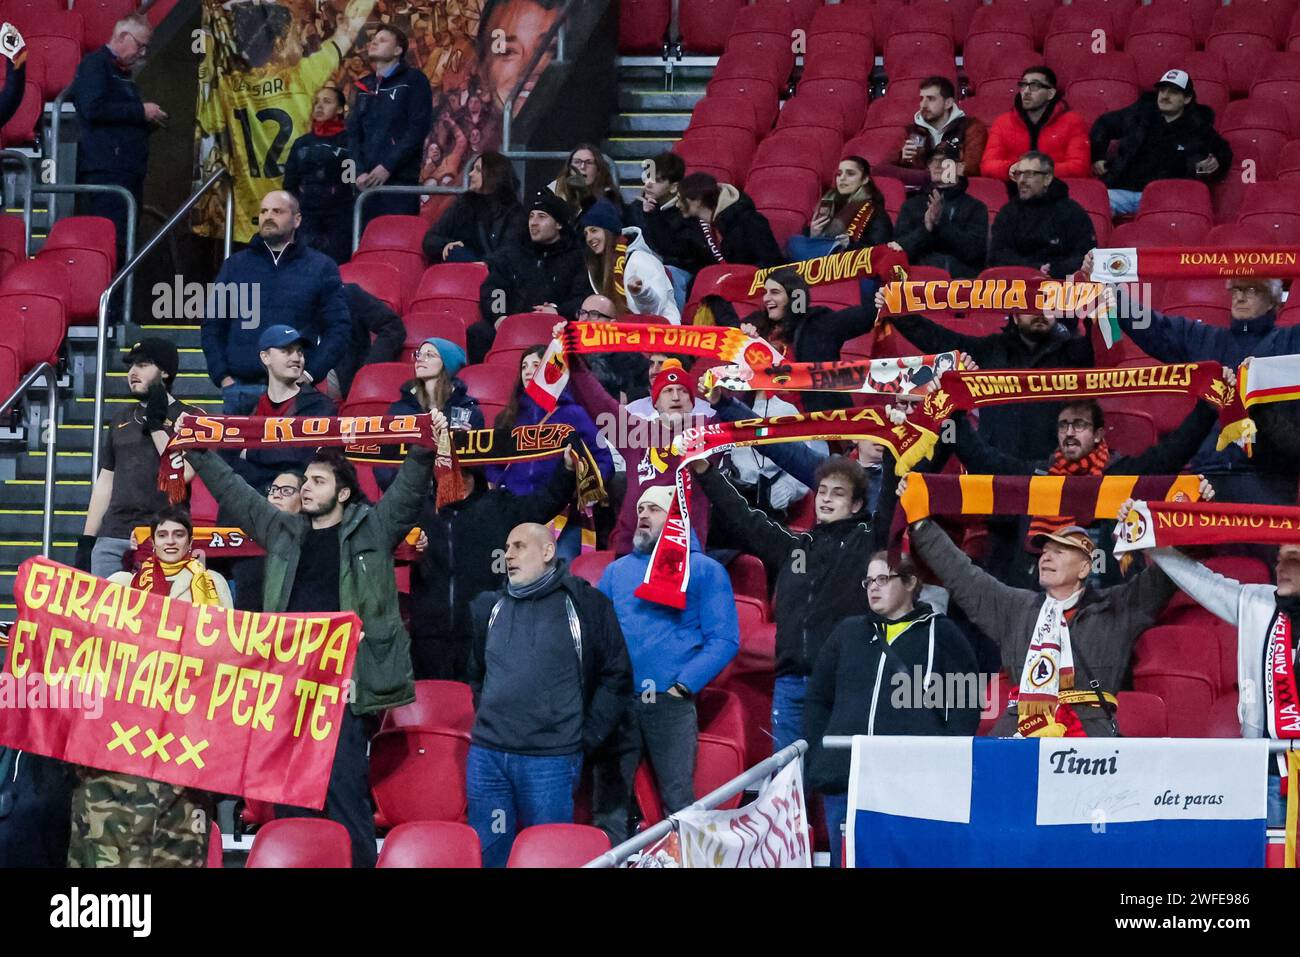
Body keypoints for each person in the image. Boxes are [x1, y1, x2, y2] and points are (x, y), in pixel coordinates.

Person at [186, 435, 441, 868]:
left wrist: (425, 445)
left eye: (317, 481)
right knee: (289, 799)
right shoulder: (282, 531)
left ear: (342, 492)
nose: (306, 487)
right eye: (305, 479)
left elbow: (410, 487)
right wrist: (194, 449)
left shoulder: (373, 528)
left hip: (344, 691)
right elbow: (233, 490)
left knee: (343, 795)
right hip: (291, 690)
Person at [906, 489, 1176, 737]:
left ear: (1084, 568)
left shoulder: (1116, 608)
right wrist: (919, 522)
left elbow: (1165, 576)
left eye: (1059, 551)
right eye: (1045, 552)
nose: (1046, 557)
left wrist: (1182, 513)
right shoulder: (1015, 608)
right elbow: (961, 575)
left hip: (1090, 740)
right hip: (1019, 733)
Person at [1116, 498, 1299, 827]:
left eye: (1293, 559)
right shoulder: (1257, 603)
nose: (1279, 568)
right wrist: (1151, 538)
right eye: (1278, 559)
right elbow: (1201, 581)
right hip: (1269, 772)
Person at [69, 506, 231, 868]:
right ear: (150, 541)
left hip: (187, 712)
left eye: (178, 535)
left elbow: (229, 647)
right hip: (133, 713)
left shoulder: (212, 584)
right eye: (163, 535)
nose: (170, 541)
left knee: (178, 813)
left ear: (190, 541)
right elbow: (93, 634)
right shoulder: (123, 584)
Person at [466, 522, 632, 867]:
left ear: (547, 552)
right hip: (488, 757)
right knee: (489, 853)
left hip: (550, 760)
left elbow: (617, 676)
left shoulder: (585, 604)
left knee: (549, 855)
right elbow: (478, 673)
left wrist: (585, 738)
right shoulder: (490, 608)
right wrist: (487, 719)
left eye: (519, 547)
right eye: (507, 547)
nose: (508, 555)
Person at [805, 550, 981, 867]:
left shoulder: (943, 634)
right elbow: (818, 698)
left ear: (911, 582)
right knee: (846, 861)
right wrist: (821, 755)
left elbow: (964, 709)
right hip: (846, 780)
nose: (874, 587)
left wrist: (942, 767)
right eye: (869, 581)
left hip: (913, 786)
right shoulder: (848, 632)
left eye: (883, 579)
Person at [693, 455, 875, 754]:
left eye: (838, 493)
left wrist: (899, 457)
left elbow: (894, 511)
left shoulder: (865, 543)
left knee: (837, 782)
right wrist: (704, 470)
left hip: (840, 681)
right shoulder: (795, 550)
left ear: (856, 506)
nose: (826, 499)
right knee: (786, 784)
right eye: (823, 491)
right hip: (789, 682)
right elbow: (744, 516)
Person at [1091, 250, 1300, 505]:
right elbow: (1153, 328)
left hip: (1267, 476)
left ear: (1276, 303)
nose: (1240, 297)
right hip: (1207, 477)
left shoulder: (1291, 340)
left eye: (1252, 289)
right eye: (1235, 289)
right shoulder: (1206, 339)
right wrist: (1104, 281)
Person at [952, 395, 1222, 587]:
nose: (1069, 433)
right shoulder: (1039, 476)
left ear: (1098, 435)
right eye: (1063, 425)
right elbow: (983, 459)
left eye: (1079, 425)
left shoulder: (1120, 473)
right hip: (1041, 597)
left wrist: (1207, 408)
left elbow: (1172, 453)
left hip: (1107, 598)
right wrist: (952, 411)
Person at [597, 486, 740, 818]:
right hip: (619, 700)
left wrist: (684, 685)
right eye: (640, 509)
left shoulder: (704, 569)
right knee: (608, 804)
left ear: (676, 519)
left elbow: (724, 640)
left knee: (677, 802)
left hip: (669, 700)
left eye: (654, 509)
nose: (643, 515)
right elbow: (598, 633)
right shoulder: (615, 572)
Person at [407, 441, 579, 680]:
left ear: (474, 476)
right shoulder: (417, 511)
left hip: (487, 635)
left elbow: (544, 503)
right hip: (429, 638)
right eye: (447, 475)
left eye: (463, 474)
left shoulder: (498, 505)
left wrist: (567, 469)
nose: (455, 482)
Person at [870, 287, 1094, 462]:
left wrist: (1100, 302)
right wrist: (899, 311)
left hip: (1054, 469)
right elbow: (939, 340)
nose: (1040, 313)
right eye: (1030, 306)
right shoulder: (991, 349)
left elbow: (1108, 344)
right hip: (994, 468)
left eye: (1047, 307)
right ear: (1014, 316)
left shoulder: (1074, 353)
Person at [200, 190, 352, 414]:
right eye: (263, 211)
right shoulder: (234, 266)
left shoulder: (321, 267)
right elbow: (212, 325)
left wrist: (310, 374)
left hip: (295, 392)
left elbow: (339, 328)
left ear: (297, 220)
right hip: (240, 390)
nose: (268, 216)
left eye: (277, 211)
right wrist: (222, 377)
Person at [568, 351, 715, 554]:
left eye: (682, 391)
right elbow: (596, 399)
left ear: (692, 402)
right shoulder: (635, 432)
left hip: (684, 551)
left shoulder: (709, 433)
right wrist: (570, 356)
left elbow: (749, 426)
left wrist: (748, 352)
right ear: (655, 403)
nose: (675, 396)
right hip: (631, 549)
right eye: (667, 391)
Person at [77, 338, 199, 578]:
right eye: (130, 366)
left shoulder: (191, 418)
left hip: (164, 537)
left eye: (143, 365)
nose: (132, 372)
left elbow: (182, 475)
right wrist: (88, 539)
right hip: (113, 534)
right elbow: (105, 482)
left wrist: (156, 427)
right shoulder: (120, 418)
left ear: (165, 371)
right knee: (105, 614)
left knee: (157, 615)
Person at [487, 345, 614, 557]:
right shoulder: (508, 416)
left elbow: (603, 459)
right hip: (516, 513)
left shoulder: (575, 414)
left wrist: (588, 485)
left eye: (536, 365)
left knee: (560, 573)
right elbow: (494, 464)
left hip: (562, 513)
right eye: (524, 366)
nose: (528, 371)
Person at [70, 14, 165, 266]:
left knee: (123, 244)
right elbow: (93, 108)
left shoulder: (119, 73)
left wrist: (144, 122)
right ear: (123, 36)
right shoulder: (95, 65)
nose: (142, 52)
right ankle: (108, 304)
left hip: (123, 170)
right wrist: (140, 112)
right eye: (140, 45)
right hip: (107, 172)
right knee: (110, 244)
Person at [1090, 69, 1231, 217]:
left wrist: (1217, 161)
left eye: (1173, 92)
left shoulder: (1198, 126)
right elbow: (1104, 124)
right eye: (1162, 90)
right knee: (1090, 204)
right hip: (1123, 189)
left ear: (1187, 98)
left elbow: (1223, 150)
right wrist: (1098, 156)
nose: (1165, 96)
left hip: (1166, 198)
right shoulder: (1140, 114)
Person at [738, 267, 879, 411]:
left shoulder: (820, 324)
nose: (766, 298)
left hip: (814, 424)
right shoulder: (757, 327)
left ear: (795, 297)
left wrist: (884, 295)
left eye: (775, 292)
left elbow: (867, 314)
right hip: (761, 421)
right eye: (765, 292)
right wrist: (744, 338)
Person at [471, 190, 589, 362]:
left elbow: (581, 299)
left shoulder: (576, 258)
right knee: (478, 332)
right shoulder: (513, 254)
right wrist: (499, 317)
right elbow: (494, 288)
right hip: (514, 324)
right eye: (531, 216)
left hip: (554, 327)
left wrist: (557, 310)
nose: (533, 223)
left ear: (559, 224)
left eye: (542, 217)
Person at [227, 325, 337, 495]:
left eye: (299, 352)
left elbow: (301, 457)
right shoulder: (247, 408)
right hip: (252, 497)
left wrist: (251, 453)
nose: (296, 358)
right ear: (265, 357)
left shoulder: (321, 407)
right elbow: (230, 460)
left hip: (296, 499)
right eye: (286, 351)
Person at [349, 24, 434, 225]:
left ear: (398, 51)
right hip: (364, 183)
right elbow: (353, 133)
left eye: (383, 40)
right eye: (373, 39)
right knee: (365, 244)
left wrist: (388, 166)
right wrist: (358, 171)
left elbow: (418, 128)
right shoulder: (363, 85)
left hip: (399, 181)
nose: (374, 42)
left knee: (394, 240)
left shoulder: (414, 80)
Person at [988, 151, 1095, 278]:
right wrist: (1036, 269)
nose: (1021, 180)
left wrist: (1053, 271)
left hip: (1062, 286)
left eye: (1029, 174)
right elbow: (998, 254)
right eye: (1019, 174)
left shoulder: (1072, 212)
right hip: (1019, 285)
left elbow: (1085, 256)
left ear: (1047, 178)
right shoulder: (1008, 212)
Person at [875, 76, 988, 190]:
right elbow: (880, 170)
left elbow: (971, 169)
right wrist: (901, 158)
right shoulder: (911, 131)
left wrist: (916, 175)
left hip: (958, 194)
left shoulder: (971, 127)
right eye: (921, 99)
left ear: (948, 103)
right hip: (916, 196)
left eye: (931, 99)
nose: (923, 105)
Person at [981, 65, 1091, 181]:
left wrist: (1036, 170)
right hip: (1014, 189)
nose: (1026, 91)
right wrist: (1009, 168)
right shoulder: (1003, 122)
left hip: (1056, 189)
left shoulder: (1073, 121)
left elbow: (1080, 167)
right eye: (1023, 85)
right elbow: (987, 165)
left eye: (1034, 86)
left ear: (1050, 93)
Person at [893, 145, 988, 279]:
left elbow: (974, 253)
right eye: (932, 161)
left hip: (960, 286)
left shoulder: (975, 207)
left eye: (944, 160)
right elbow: (898, 251)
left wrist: (941, 224)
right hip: (918, 284)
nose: (937, 164)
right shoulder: (912, 205)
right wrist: (926, 229)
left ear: (960, 168)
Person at [282, 85, 353, 264]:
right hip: (308, 216)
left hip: (340, 217)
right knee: (305, 266)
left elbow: (355, 180)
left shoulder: (351, 142)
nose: (319, 106)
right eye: (316, 102)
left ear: (339, 109)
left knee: (336, 267)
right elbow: (289, 183)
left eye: (327, 101)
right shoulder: (302, 143)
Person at [579, 199, 681, 323]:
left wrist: (641, 292)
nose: (589, 238)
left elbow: (655, 311)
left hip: (660, 332)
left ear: (609, 231)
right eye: (586, 233)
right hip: (622, 330)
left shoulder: (641, 260)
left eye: (594, 231)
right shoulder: (598, 266)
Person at [421, 151, 526, 263]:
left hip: (499, 272)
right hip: (468, 269)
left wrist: (488, 263)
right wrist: (446, 245)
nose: (470, 174)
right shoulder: (463, 204)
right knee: (455, 252)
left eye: (477, 170)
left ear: (492, 175)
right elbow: (430, 239)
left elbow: (511, 250)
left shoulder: (513, 211)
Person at [788, 156, 893, 262]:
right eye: (839, 174)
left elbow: (879, 250)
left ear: (865, 179)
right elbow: (813, 241)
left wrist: (849, 245)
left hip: (852, 263)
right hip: (823, 255)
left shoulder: (875, 211)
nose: (842, 178)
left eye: (850, 173)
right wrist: (813, 234)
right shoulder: (829, 203)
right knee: (794, 241)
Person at [677, 172, 784, 269]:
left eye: (681, 199)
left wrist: (739, 276)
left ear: (697, 201)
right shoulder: (696, 225)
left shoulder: (749, 221)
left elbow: (772, 263)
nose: (677, 205)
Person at [231, 469, 303, 612]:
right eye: (274, 489)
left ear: (303, 501)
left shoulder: (309, 545)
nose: (276, 494)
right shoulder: (244, 533)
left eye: (286, 491)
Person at [625, 150, 695, 282]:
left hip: (676, 271)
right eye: (648, 178)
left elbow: (675, 252)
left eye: (657, 180)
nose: (649, 184)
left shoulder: (686, 212)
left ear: (674, 187)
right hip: (641, 268)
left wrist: (653, 216)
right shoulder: (636, 207)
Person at [335, 282, 407, 398]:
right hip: (302, 388)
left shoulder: (347, 295)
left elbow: (393, 327)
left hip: (345, 387)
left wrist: (369, 370)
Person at [550, 143, 622, 216]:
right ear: (569, 168)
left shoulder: (609, 197)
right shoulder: (553, 191)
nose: (582, 167)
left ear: (598, 170)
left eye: (589, 163)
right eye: (577, 162)